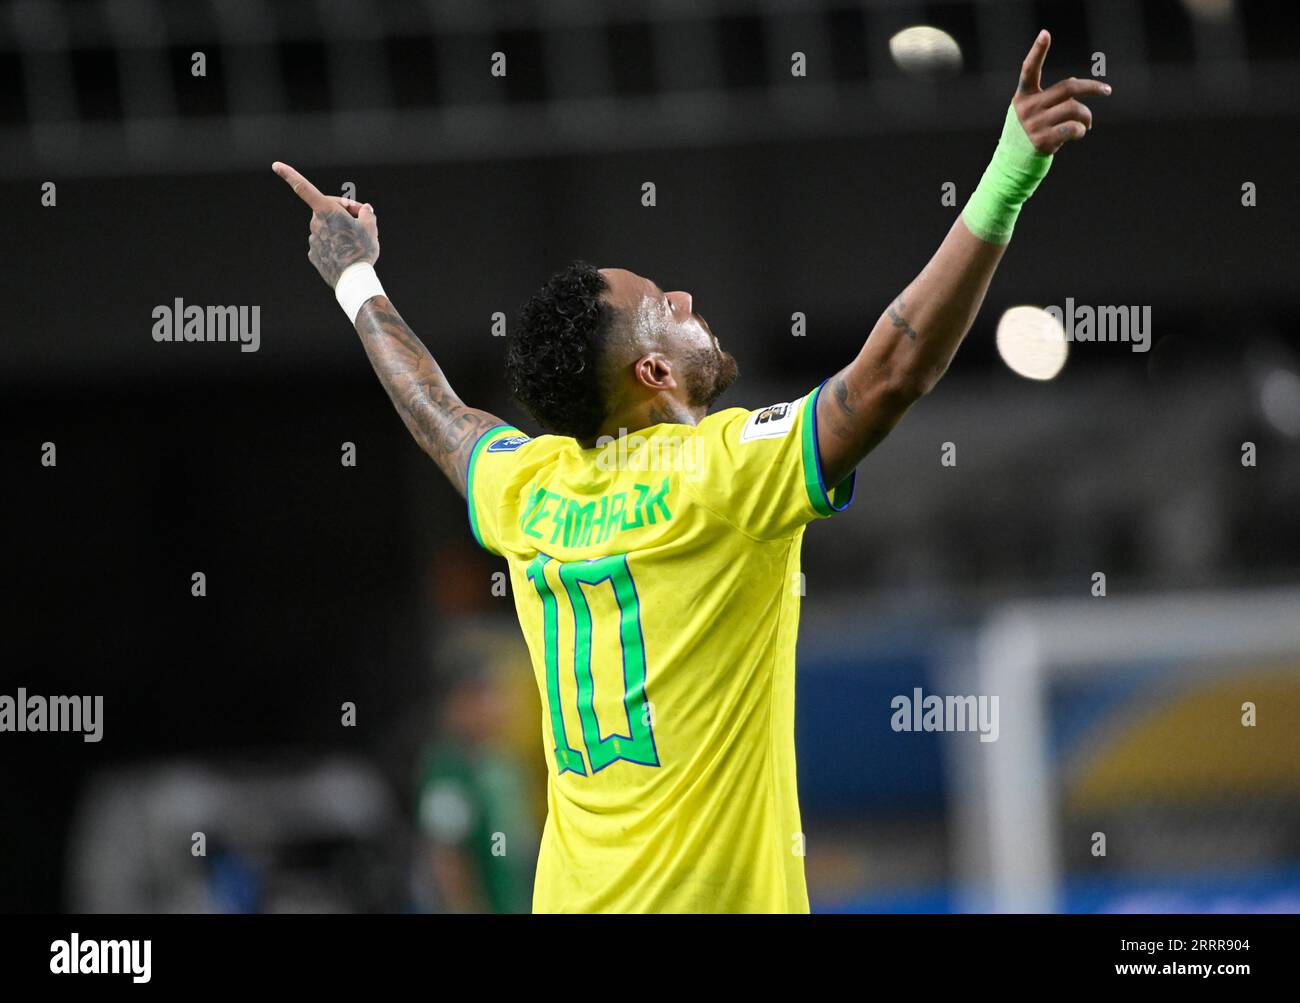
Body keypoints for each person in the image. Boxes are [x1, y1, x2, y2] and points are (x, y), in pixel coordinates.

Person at [273, 30, 1106, 912]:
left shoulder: (529, 490)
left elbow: (438, 415)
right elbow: (891, 370)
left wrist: (355, 280)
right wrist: (1009, 175)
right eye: (661, 306)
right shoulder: (721, 475)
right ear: (655, 374)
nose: (686, 303)